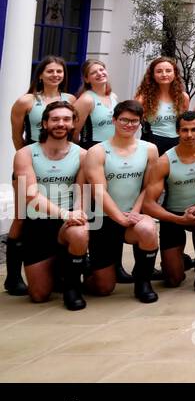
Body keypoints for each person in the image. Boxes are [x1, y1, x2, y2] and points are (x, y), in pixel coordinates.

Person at [6, 56, 75, 296]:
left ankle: (57, 271)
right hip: (33, 163)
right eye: (50, 71)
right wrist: (30, 162)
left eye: (59, 71)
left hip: (62, 163)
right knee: (22, 216)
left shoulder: (70, 100)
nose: (55, 75)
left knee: (57, 214)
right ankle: (13, 276)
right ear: (40, 74)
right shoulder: (26, 101)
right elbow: (17, 137)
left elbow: (73, 134)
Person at [80, 100, 160, 303]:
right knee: (103, 288)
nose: (129, 124)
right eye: (124, 119)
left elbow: (149, 187)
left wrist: (135, 212)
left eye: (134, 121)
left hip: (133, 214)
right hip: (104, 219)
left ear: (140, 122)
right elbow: (99, 192)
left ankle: (143, 282)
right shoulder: (97, 151)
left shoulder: (149, 149)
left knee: (148, 230)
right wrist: (120, 218)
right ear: (114, 120)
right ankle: (87, 269)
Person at [11, 100, 89, 310]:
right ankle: (59, 264)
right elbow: (30, 195)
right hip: (38, 222)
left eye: (66, 119)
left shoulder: (82, 154)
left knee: (80, 233)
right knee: (39, 295)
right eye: (55, 119)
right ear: (45, 123)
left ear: (73, 124)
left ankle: (72, 288)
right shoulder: (25, 154)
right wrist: (65, 213)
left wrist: (79, 212)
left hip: (67, 223)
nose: (60, 123)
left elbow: (82, 190)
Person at [141, 110, 195, 294]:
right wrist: (179, 220)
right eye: (184, 130)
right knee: (173, 280)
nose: (189, 135)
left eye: (194, 130)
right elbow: (148, 204)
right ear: (177, 131)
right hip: (174, 216)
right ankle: (181, 260)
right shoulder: (164, 161)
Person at [135, 56, 189, 154]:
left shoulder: (183, 97)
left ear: (175, 73)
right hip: (151, 144)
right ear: (152, 75)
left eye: (168, 71)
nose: (164, 74)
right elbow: (133, 124)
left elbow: (184, 123)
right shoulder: (143, 99)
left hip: (177, 144)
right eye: (159, 71)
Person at [73, 59, 117, 149]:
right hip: (92, 148)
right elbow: (73, 132)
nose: (100, 73)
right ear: (86, 79)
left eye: (101, 70)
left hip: (112, 147)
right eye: (93, 73)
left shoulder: (113, 96)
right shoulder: (86, 100)